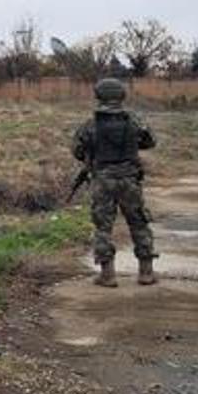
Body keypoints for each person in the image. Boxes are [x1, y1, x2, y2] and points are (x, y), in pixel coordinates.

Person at [72, 77, 158, 287]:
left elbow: (77, 151)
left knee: (103, 227)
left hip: (103, 180)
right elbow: (150, 141)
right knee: (138, 222)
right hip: (130, 179)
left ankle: (107, 275)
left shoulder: (90, 125)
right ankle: (146, 273)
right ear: (121, 95)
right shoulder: (134, 121)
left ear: (98, 95)